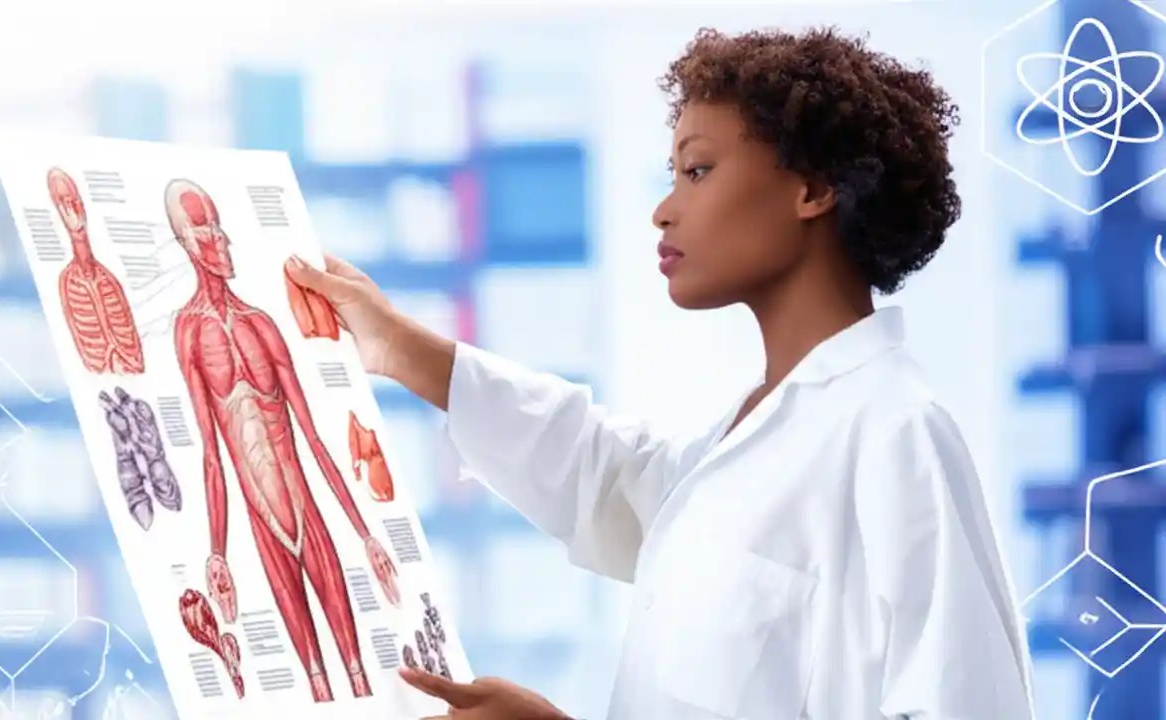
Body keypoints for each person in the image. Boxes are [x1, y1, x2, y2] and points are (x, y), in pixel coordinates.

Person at [285, 24, 1035, 720]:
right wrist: (396, 347)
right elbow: (611, 479)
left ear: (811, 190)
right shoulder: (758, 431)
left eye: (698, 171)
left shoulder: (894, 433)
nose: (663, 211)